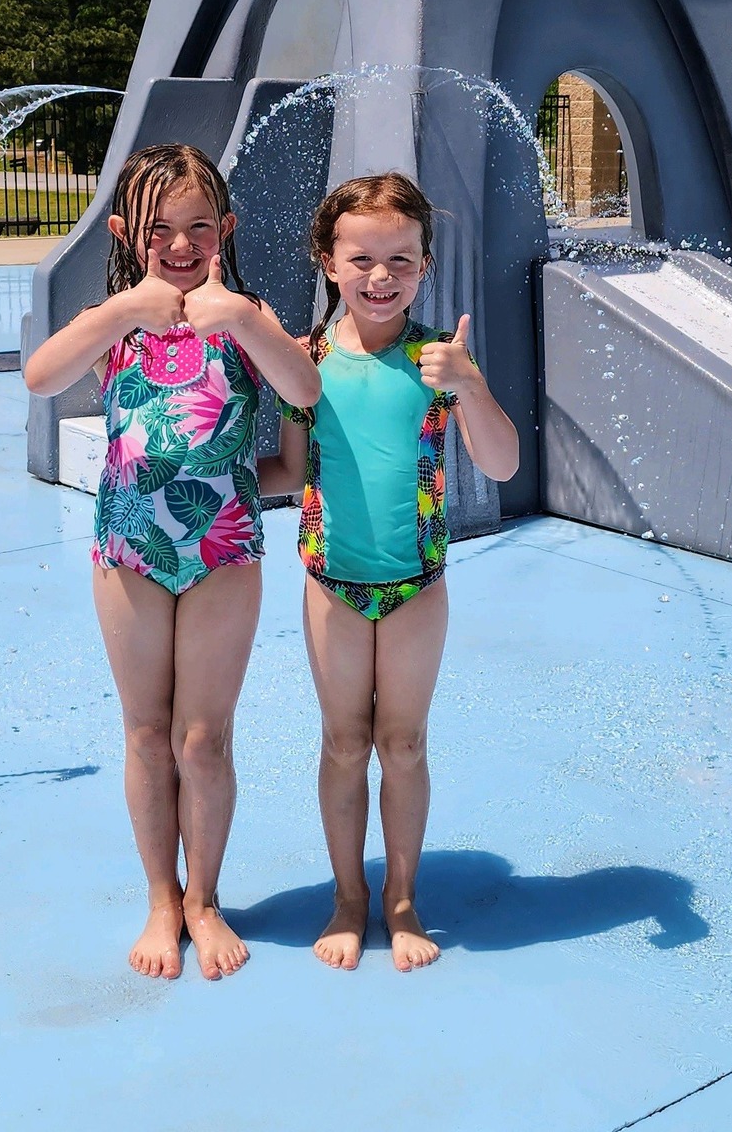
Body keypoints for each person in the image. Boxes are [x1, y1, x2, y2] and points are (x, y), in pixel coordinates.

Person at [23, 143, 320, 983]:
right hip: (129, 553)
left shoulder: (242, 314)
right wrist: (123, 310)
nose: (181, 245)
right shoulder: (115, 318)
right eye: (160, 231)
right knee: (148, 734)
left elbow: (303, 391)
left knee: (204, 740)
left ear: (224, 228)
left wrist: (246, 319)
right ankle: (161, 896)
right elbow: (42, 378)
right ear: (125, 233)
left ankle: (205, 897)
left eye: (198, 227)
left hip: (223, 550)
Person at [269, 172, 519, 973]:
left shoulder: (437, 359)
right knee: (345, 743)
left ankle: (403, 899)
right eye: (363, 258)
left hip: (417, 585)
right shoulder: (304, 361)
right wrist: (197, 479)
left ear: (425, 264)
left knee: (403, 743)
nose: (382, 277)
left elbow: (503, 463)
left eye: (401, 260)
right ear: (328, 261)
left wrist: (471, 384)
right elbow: (290, 471)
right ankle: (350, 897)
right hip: (331, 584)